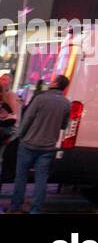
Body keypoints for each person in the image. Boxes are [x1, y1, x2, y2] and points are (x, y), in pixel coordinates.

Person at [6, 74, 70, 214]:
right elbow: (64, 125)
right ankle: (35, 210)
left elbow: (27, 119)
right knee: (41, 179)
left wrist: (20, 135)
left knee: (21, 176)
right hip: (48, 147)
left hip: (29, 143)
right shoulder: (66, 103)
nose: (50, 82)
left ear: (55, 84)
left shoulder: (40, 99)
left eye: (53, 81)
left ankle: (16, 206)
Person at [0, 71, 19, 166]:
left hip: (7, 131)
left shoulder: (11, 95)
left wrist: (13, 133)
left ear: (9, 82)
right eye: (1, 78)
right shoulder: (3, 95)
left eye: (4, 79)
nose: (0, 81)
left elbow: (14, 116)